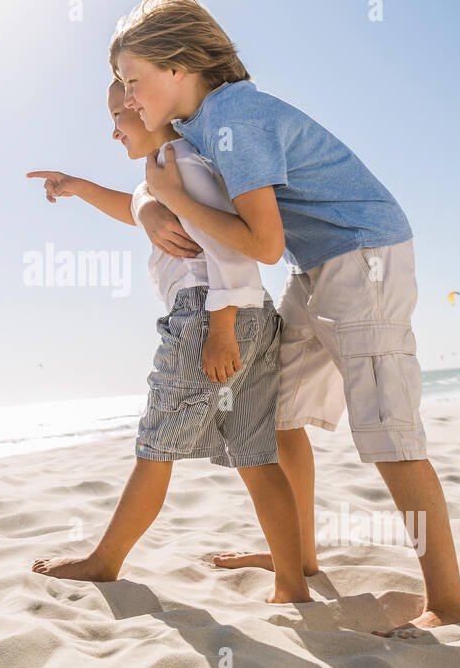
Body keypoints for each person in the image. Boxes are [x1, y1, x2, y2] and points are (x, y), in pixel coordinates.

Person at [111, 0, 460, 638]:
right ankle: (300, 553)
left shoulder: (234, 120)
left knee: (388, 430)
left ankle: (448, 602)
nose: (129, 98)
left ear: (178, 66)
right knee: (277, 409)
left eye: (133, 81)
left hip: (366, 258)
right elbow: (159, 189)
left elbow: (263, 244)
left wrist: (170, 198)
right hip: (320, 267)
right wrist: (151, 204)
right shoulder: (203, 127)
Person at [25, 79, 311, 605]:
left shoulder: (180, 161)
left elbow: (228, 247)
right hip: (251, 315)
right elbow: (136, 210)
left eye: (122, 111)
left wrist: (220, 328)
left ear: (150, 106)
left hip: (210, 314)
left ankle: (104, 562)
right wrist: (78, 186)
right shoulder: (168, 168)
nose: (115, 126)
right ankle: (292, 588)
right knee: (256, 455)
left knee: (154, 448)